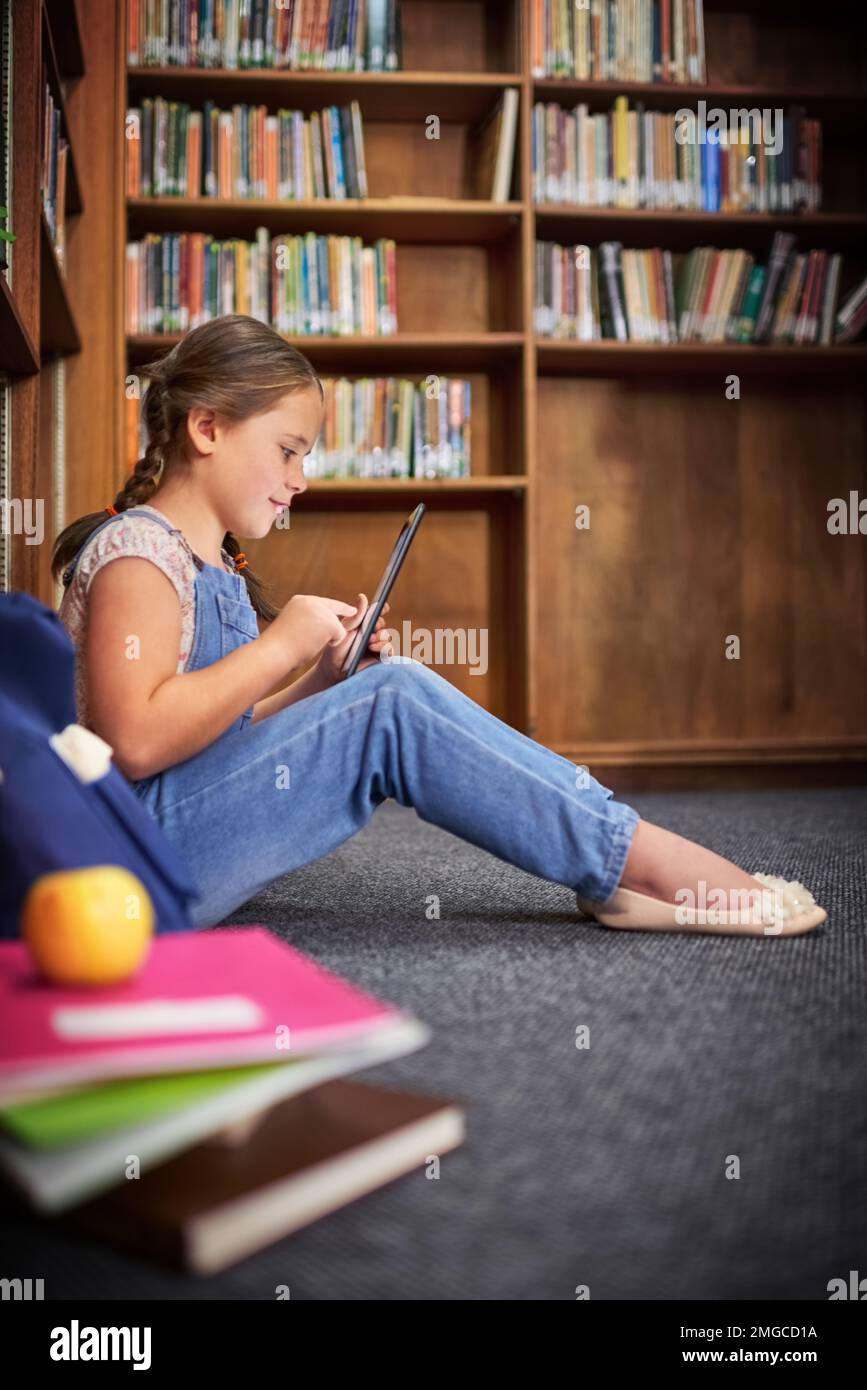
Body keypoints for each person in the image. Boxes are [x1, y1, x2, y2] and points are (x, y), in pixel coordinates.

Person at [52, 315, 826, 938]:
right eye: (288, 450)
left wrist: (317, 682)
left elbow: (213, 742)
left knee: (382, 695)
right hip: (132, 868)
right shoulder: (138, 555)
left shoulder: (212, 559)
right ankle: (642, 863)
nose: (302, 479)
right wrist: (282, 644)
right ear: (208, 429)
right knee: (395, 703)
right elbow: (138, 743)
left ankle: (621, 868)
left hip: (169, 837)